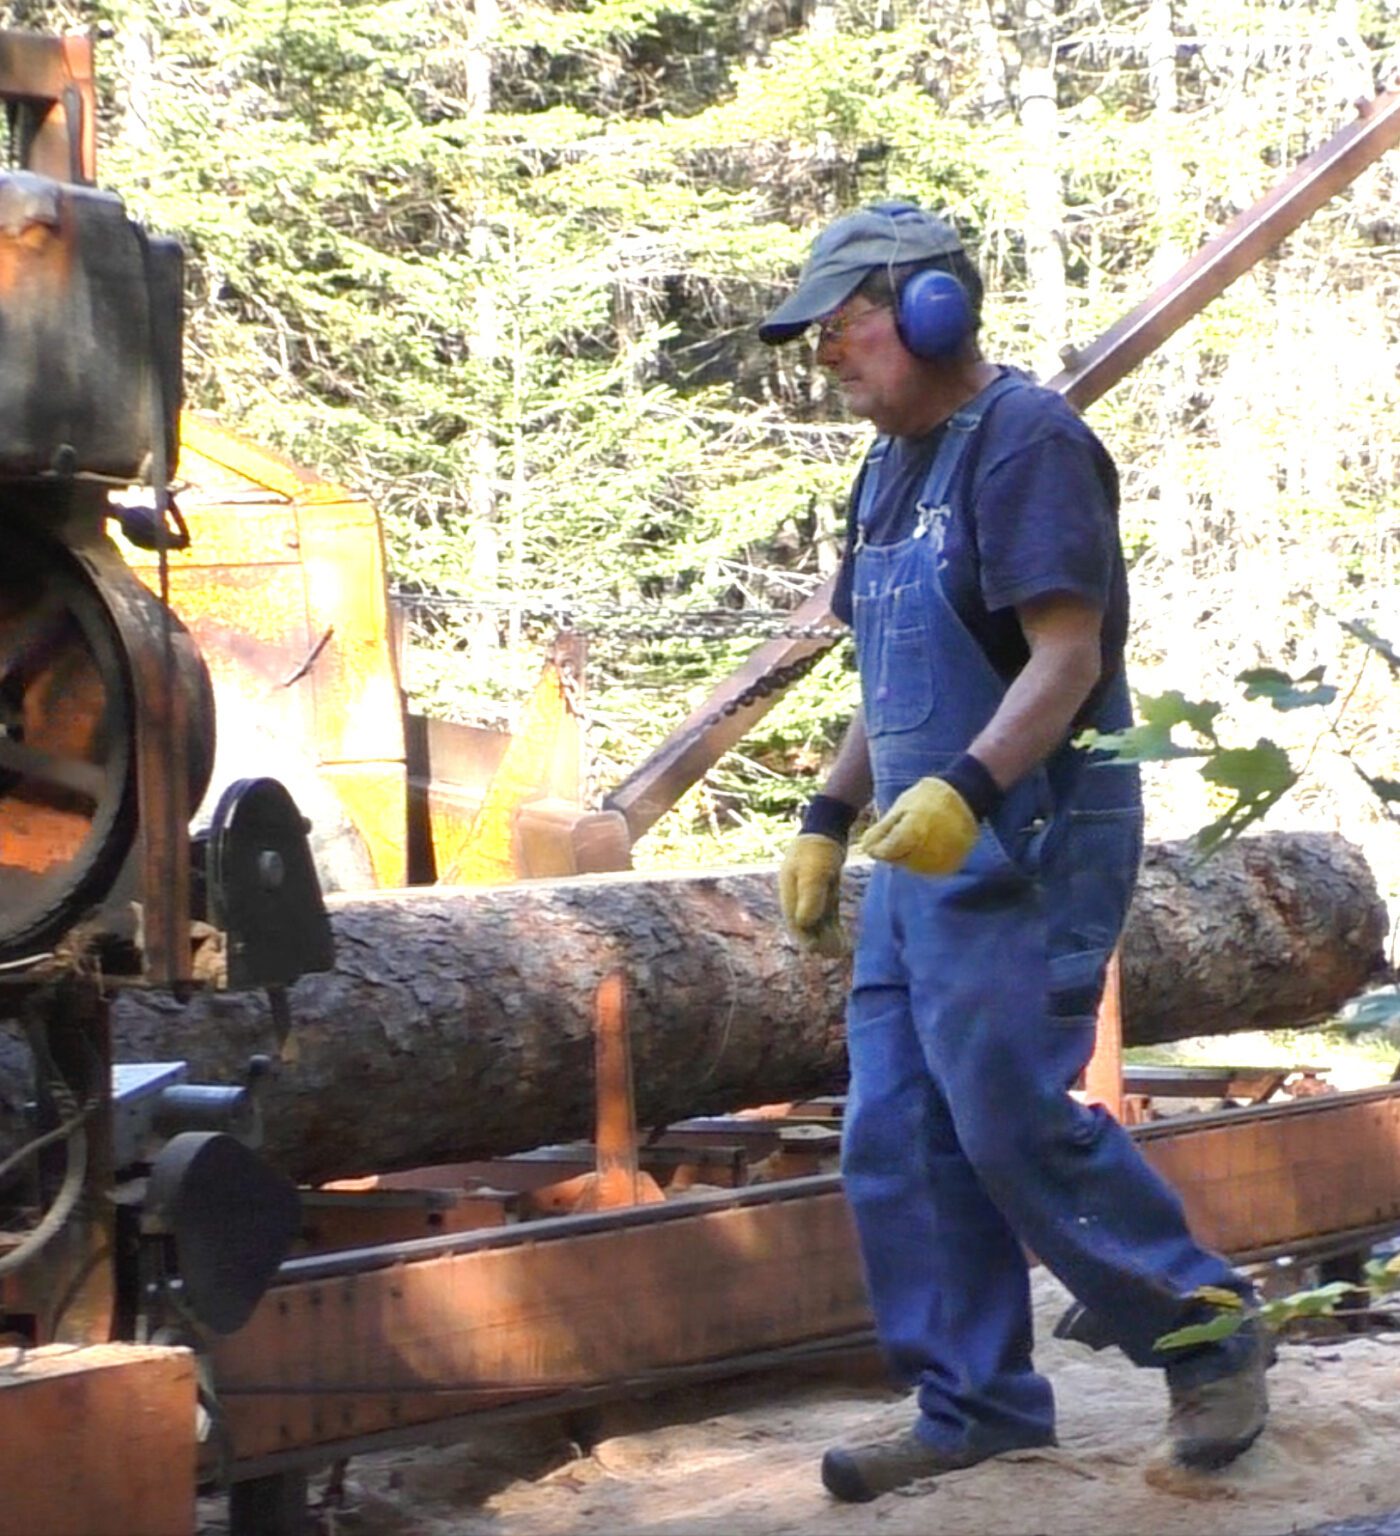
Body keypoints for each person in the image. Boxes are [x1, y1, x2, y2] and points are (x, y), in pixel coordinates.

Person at [762, 201, 1270, 1503]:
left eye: (844, 322)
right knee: (896, 1134)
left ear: (933, 308)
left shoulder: (1027, 444)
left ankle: (1207, 1330)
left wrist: (970, 789)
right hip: (919, 854)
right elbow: (892, 683)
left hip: (1032, 837)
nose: (826, 352)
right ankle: (974, 1402)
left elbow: (1066, 656)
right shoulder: (884, 474)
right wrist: (829, 816)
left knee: (1004, 1119)